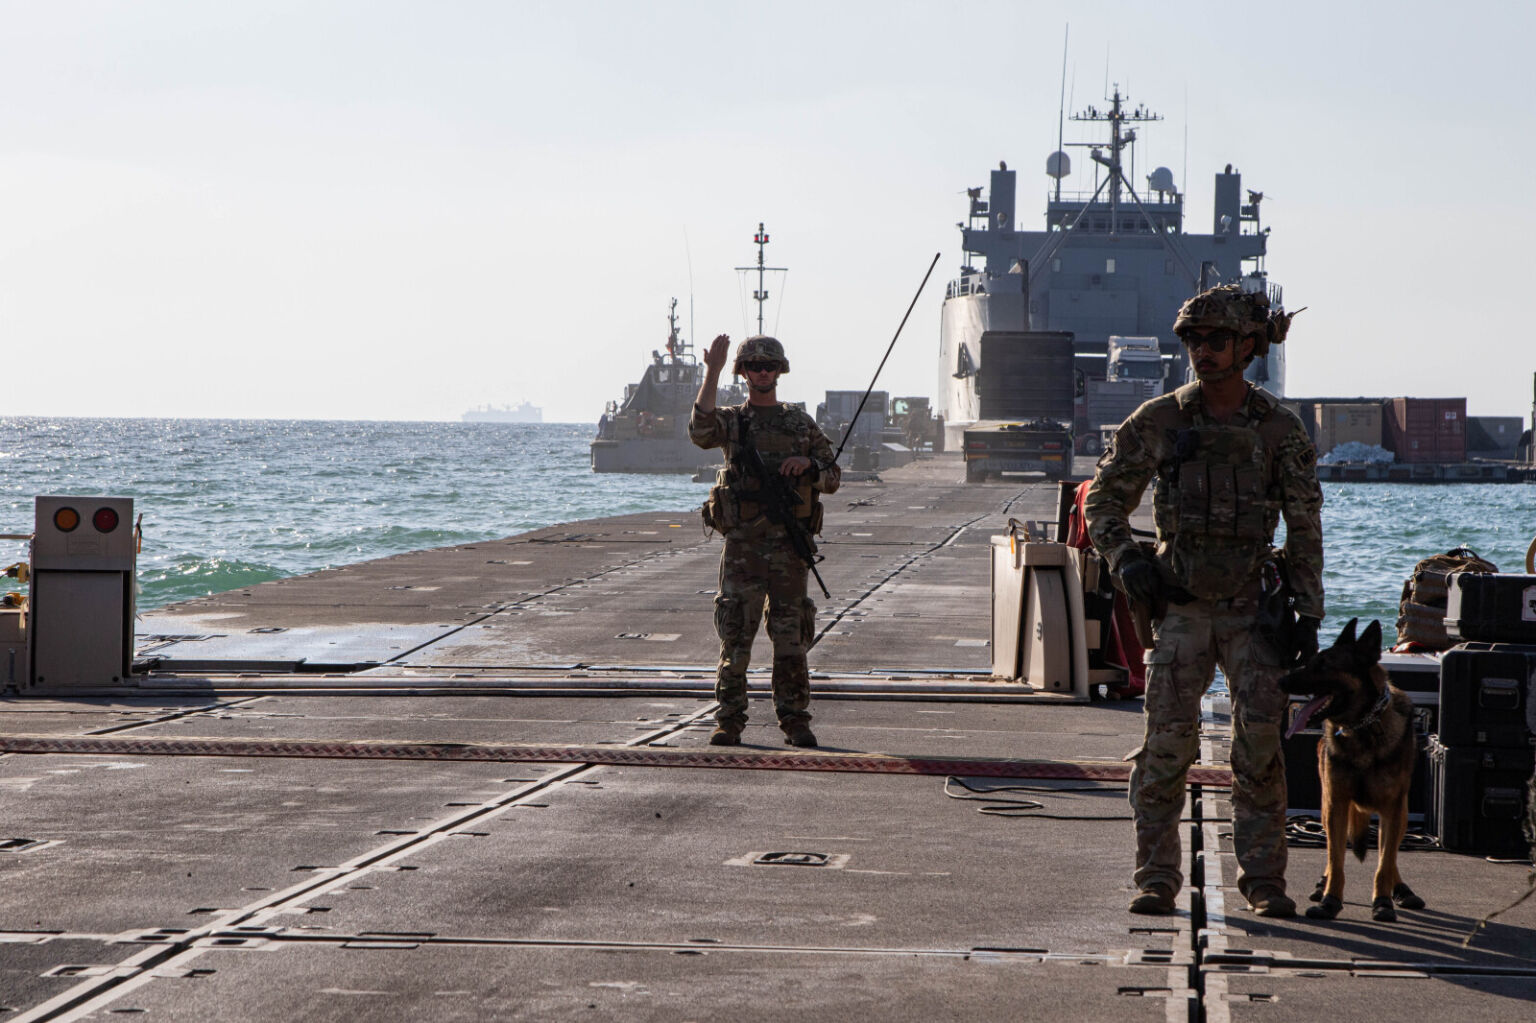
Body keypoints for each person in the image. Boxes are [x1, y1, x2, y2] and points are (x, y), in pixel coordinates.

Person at [1083, 284, 1323, 919]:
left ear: (1247, 346)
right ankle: (1156, 878)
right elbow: (1102, 499)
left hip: (1253, 609)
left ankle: (1265, 882)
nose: (1201, 351)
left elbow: (1304, 524)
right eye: (1192, 339)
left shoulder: (1278, 428)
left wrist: (1309, 614)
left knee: (1261, 751)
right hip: (1183, 607)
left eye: (1216, 339)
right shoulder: (1161, 421)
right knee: (1164, 749)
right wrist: (1126, 558)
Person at [689, 334, 841, 748]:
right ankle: (729, 722)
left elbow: (833, 477)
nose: (762, 371)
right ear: (743, 372)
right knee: (736, 636)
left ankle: (795, 721)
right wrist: (712, 371)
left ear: (780, 371)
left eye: (769, 366)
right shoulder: (733, 421)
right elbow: (701, 431)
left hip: (789, 552)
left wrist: (809, 464)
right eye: (753, 365)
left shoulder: (800, 423)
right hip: (743, 549)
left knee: (791, 640)